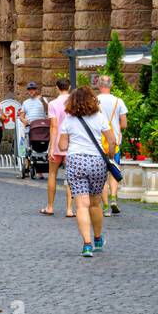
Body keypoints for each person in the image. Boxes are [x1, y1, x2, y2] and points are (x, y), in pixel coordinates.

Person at [57, 86, 111, 259]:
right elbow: (112, 140)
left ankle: (86, 245)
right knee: (95, 204)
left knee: (81, 205)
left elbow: (62, 146)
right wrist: (109, 154)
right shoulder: (99, 117)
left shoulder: (68, 119)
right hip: (96, 162)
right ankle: (97, 239)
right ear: (92, 100)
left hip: (76, 161)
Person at [40, 78, 74, 219]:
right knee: (71, 176)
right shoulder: (74, 102)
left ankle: (50, 206)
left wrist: (52, 147)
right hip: (71, 144)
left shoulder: (53, 104)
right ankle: (69, 209)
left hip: (58, 143)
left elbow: (53, 126)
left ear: (57, 87)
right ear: (69, 87)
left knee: (52, 174)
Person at [96, 76, 127, 217]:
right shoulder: (118, 101)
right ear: (111, 85)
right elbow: (124, 124)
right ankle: (114, 197)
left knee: (101, 176)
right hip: (114, 141)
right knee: (114, 170)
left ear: (99, 85)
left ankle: (106, 206)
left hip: (99, 142)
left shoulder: (95, 101)